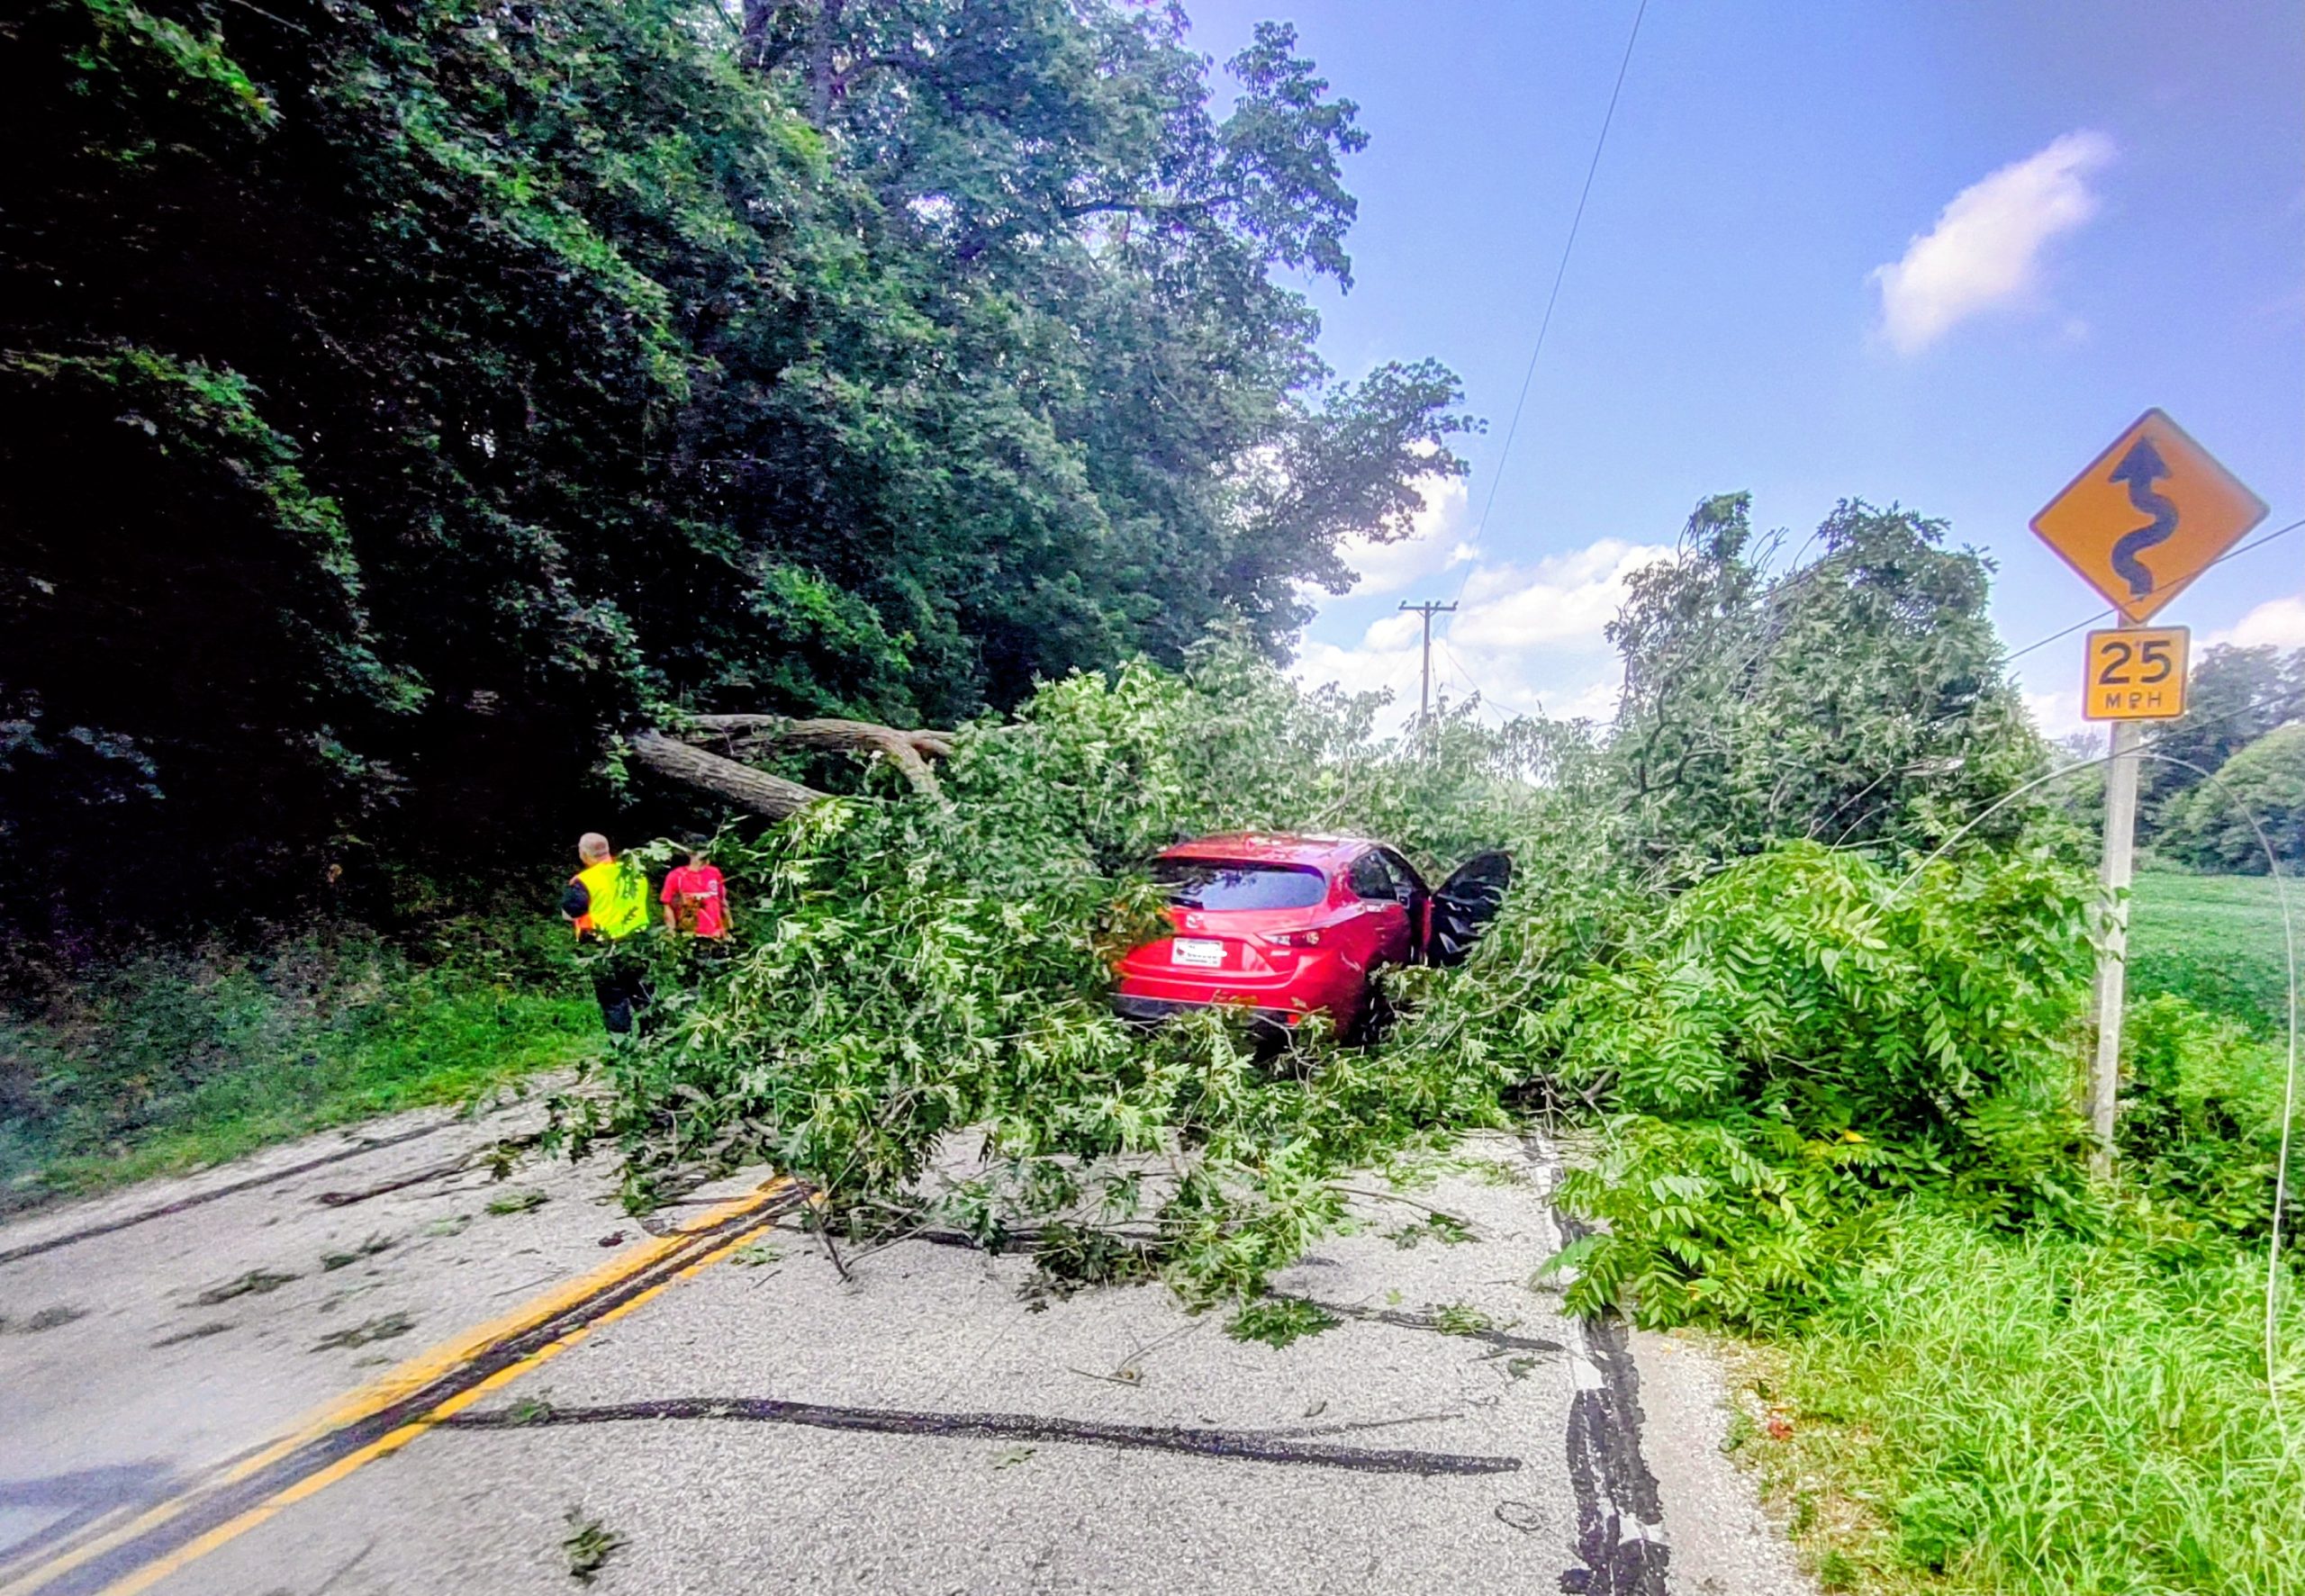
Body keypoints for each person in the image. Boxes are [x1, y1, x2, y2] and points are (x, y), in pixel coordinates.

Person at [562, 832, 651, 1033]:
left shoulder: (584, 881)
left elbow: (571, 912)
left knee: (614, 1001)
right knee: (644, 996)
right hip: (638, 944)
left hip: (603, 947)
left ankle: (622, 1048)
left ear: (584, 853)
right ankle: (654, 1044)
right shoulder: (634, 871)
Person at [661, 847, 731, 940]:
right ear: (691, 854)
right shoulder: (676, 876)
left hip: (716, 935)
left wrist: (728, 927)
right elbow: (667, 905)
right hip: (690, 935)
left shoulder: (714, 872)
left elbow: (722, 901)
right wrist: (671, 931)